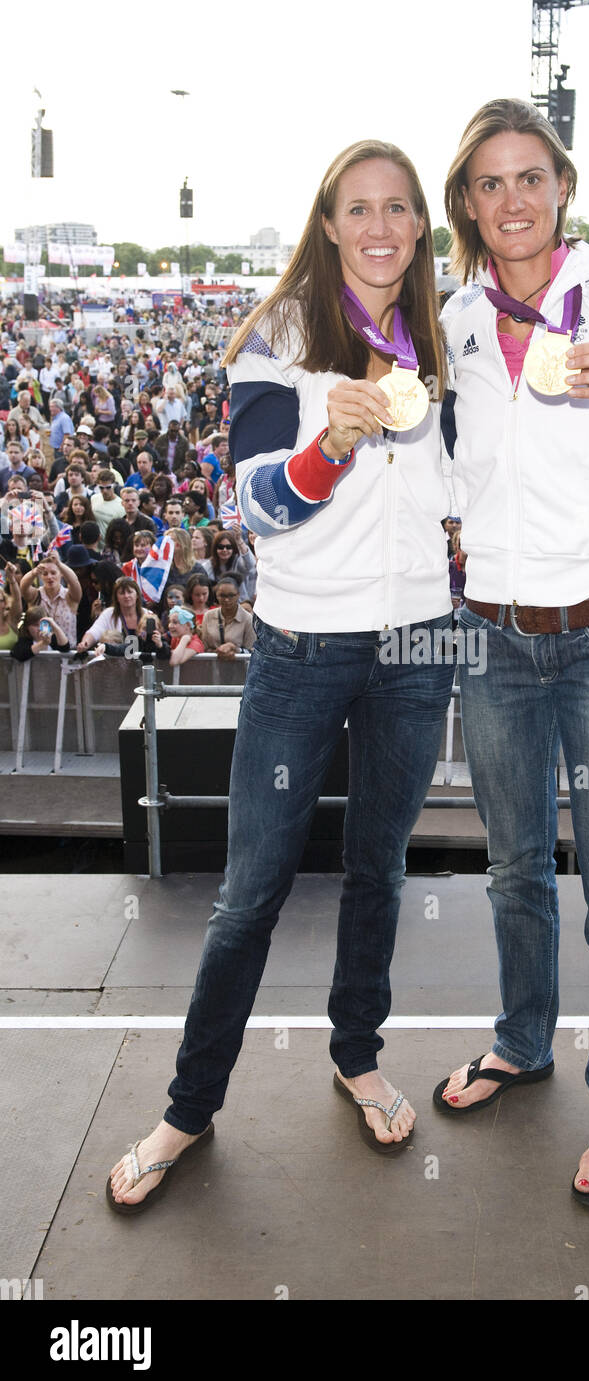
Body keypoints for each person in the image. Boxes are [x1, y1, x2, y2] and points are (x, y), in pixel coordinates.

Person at [108, 138, 453, 1210]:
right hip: (303, 645)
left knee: (380, 869)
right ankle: (187, 1108)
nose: (381, 227)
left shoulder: (437, 337)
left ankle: (357, 1055)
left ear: (418, 227)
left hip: (416, 645)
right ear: (329, 219)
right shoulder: (276, 338)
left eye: (398, 208)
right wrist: (327, 446)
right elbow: (254, 507)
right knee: (250, 891)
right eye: (360, 208)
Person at [433, 98, 589, 1209]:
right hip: (492, 631)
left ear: (563, 186)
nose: (511, 201)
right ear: (470, 204)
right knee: (509, 871)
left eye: (528, 177)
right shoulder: (448, 319)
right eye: (489, 184)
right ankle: (522, 1041)